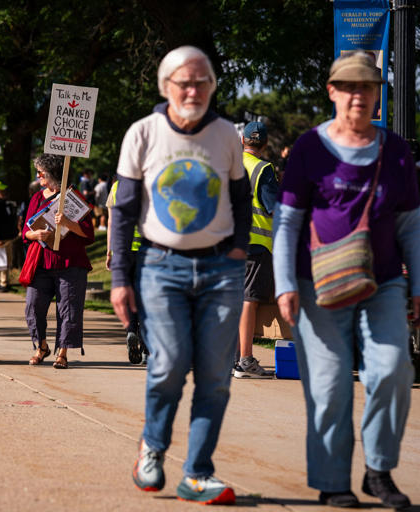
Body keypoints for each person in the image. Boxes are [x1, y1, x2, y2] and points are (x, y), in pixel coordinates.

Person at [273, 52, 420, 509]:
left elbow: (413, 224)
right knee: (330, 383)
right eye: (349, 86)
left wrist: (419, 285)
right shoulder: (308, 148)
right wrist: (284, 284)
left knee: (391, 369)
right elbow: (287, 221)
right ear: (332, 91)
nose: (358, 95)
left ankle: (378, 470)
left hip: (383, 283)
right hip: (315, 284)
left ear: (379, 93)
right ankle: (332, 481)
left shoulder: (395, 150)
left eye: (368, 86)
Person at [110, 46, 250, 504]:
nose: (193, 90)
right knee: (168, 365)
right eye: (183, 82)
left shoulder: (227, 134)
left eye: (202, 81)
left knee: (215, 376)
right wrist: (118, 277)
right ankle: (152, 448)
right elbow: (124, 210)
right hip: (159, 266)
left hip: (220, 269)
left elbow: (241, 198)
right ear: (165, 86)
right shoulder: (143, 134)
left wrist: (236, 251)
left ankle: (197, 473)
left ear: (212, 86)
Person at [23, 153, 94, 370]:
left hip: (70, 263)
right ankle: (42, 346)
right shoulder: (36, 198)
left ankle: (62, 352)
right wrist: (34, 236)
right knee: (33, 306)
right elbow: (25, 231)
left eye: (41, 173)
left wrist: (68, 223)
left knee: (69, 309)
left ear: (52, 174)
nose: (38, 176)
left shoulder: (74, 197)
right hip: (41, 262)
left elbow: (89, 235)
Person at [235, 121, 278, 379]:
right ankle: (245, 360)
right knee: (249, 301)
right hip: (256, 244)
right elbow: (275, 206)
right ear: (265, 145)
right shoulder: (264, 169)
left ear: (242, 141)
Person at [105, 179, 147, 364]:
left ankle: (131, 330)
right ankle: (147, 349)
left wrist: (110, 250)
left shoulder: (116, 186)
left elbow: (111, 221)